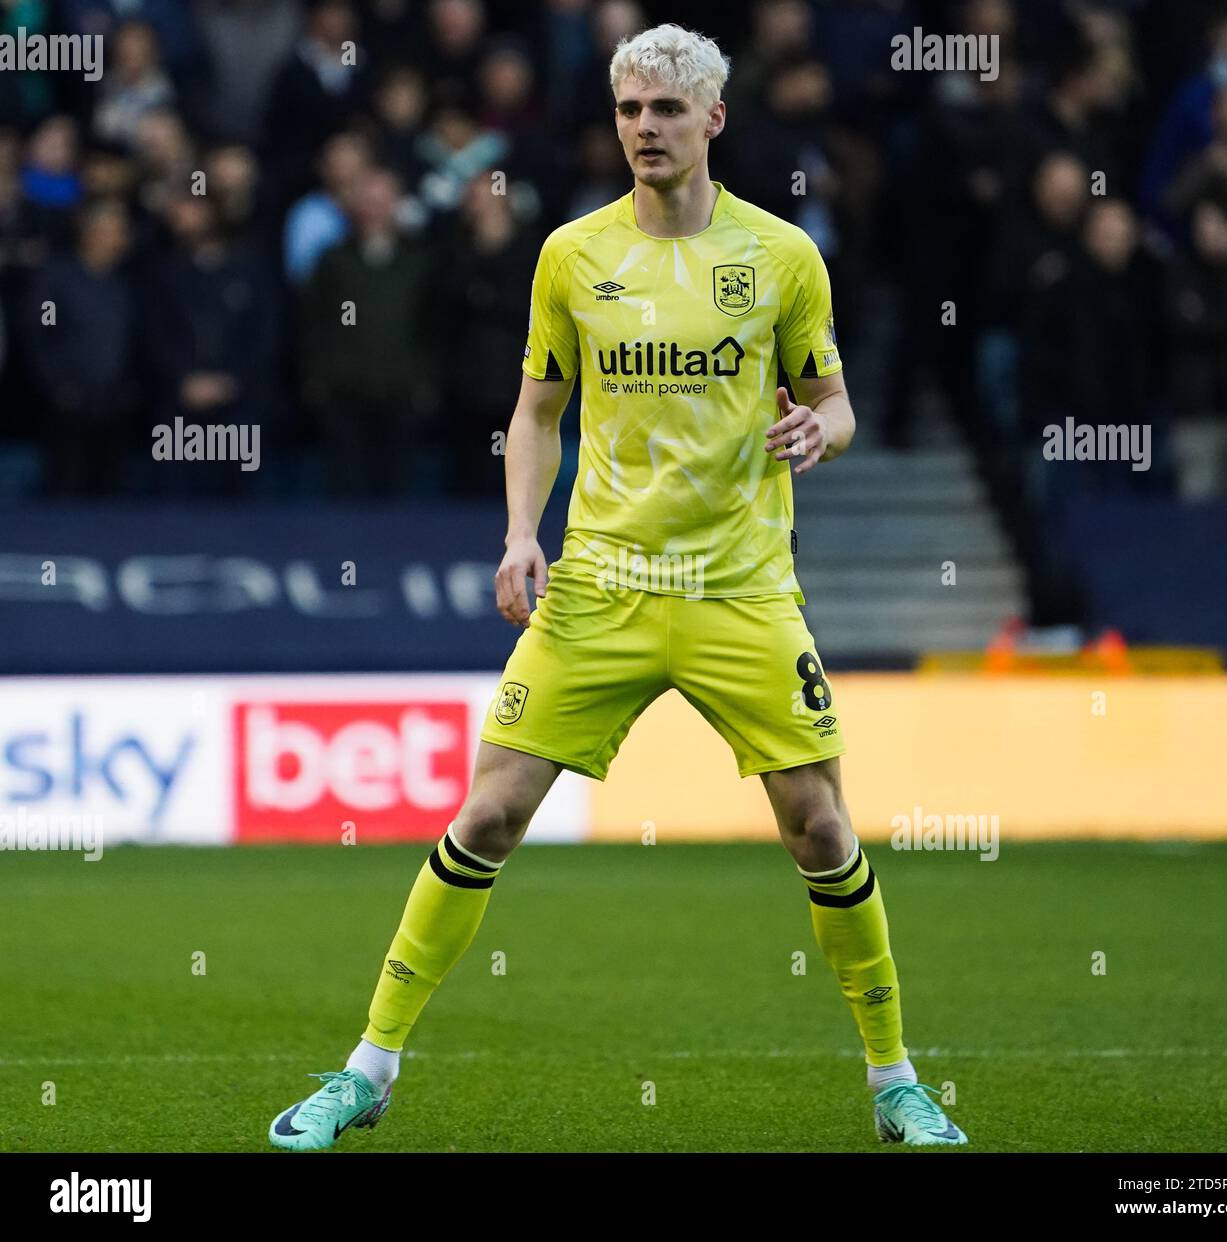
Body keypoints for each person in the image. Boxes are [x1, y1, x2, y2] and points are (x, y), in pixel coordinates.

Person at [269, 22, 967, 1151]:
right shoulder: (571, 256)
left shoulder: (782, 255)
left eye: (665, 111)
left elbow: (835, 403)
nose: (644, 127)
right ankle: (368, 1067)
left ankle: (895, 1081)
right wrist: (517, 534)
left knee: (821, 829)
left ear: (713, 122)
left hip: (739, 586)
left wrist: (816, 432)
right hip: (599, 580)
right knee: (487, 812)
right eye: (629, 110)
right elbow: (536, 414)